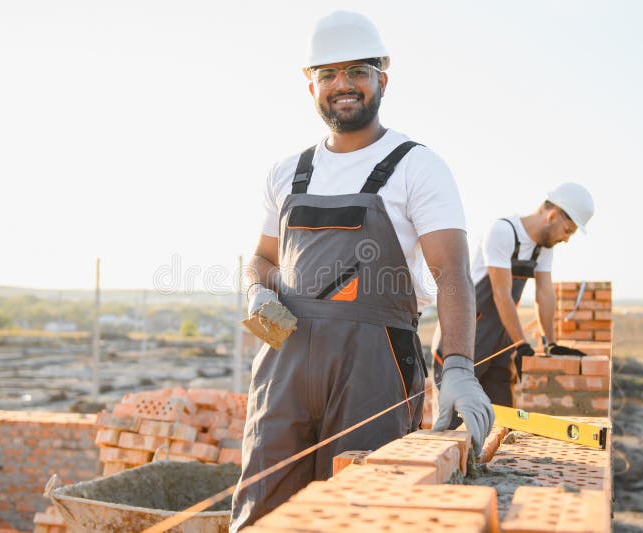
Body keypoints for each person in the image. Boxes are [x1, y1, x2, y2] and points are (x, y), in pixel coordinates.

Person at [231, 11, 493, 530]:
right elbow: (260, 260)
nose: (342, 85)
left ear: (381, 80)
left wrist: (458, 366)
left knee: (362, 513)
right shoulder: (288, 172)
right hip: (284, 365)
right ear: (311, 85)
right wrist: (256, 293)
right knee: (261, 509)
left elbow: (452, 274)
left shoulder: (417, 165)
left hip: (373, 367)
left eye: (356, 71)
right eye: (327, 74)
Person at [432, 183, 595, 416]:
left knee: (503, 418)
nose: (567, 239)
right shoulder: (502, 232)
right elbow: (501, 294)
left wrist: (551, 343)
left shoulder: (543, 248)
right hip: (465, 339)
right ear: (552, 215)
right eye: (567, 231)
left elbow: (545, 293)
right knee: (456, 420)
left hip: (500, 340)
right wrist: (522, 345)